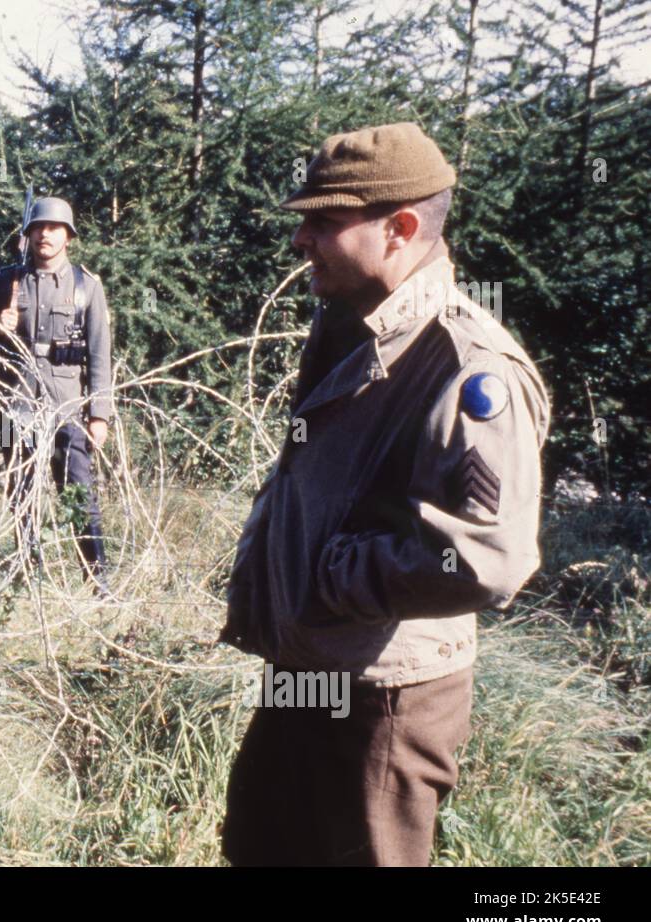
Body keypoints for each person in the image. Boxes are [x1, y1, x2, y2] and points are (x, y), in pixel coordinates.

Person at [220, 122, 550, 866]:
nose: (301, 240)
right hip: (309, 668)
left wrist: (333, 576)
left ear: (399, 229)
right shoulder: (352, 324)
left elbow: (489, 558)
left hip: (385, 698)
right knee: (260, 845)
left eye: (324, 223)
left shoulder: (466, 368)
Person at [0, 197, 113, 593]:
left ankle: (96, 577)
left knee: (78, 490)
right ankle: (26, 573)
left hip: (66, 404)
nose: (45, 234)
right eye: (39, 227)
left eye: (54, 228)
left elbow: (101, 352)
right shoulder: (9, 279)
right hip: (16, 400)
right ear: (29, 234)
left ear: (68, 236)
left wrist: (99, 413)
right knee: (21, 492)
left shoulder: (87, 285)